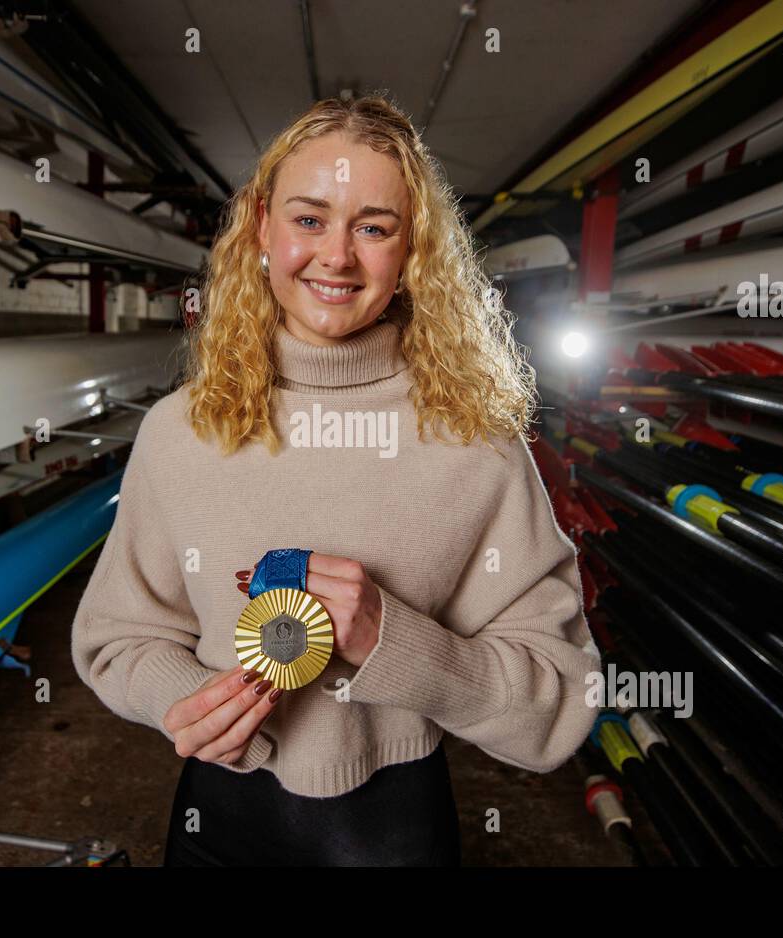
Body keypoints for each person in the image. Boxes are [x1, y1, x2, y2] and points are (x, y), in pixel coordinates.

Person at [71, 94, 601, 866]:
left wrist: (398, 640)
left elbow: (560, 696)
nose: (337, 256)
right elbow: (120, 635)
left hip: (396, 828)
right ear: (262, 228)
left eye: (375, 227)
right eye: (309, 219)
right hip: (219, 815)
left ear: (412, 248)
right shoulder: (181, 432)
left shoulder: (476, 444)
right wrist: (178, 698)